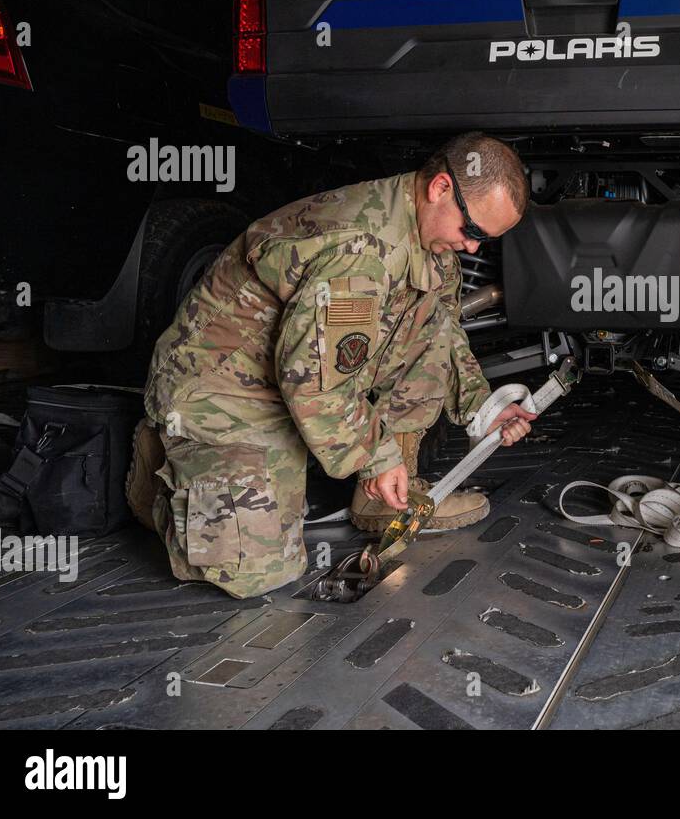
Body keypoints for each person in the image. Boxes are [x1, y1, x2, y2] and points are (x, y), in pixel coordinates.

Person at [128, 131, 535, 598]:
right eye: (474, 231)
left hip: (302, 372)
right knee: (255, 572)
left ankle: (381, 496)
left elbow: (443, 332)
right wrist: (374, 458)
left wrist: (486, 408)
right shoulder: (360, 251)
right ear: (441, 188)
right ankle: (165, 472)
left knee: (432, 321)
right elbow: (315, 383)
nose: (473, 249)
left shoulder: (427, 238)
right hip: (226, 390)